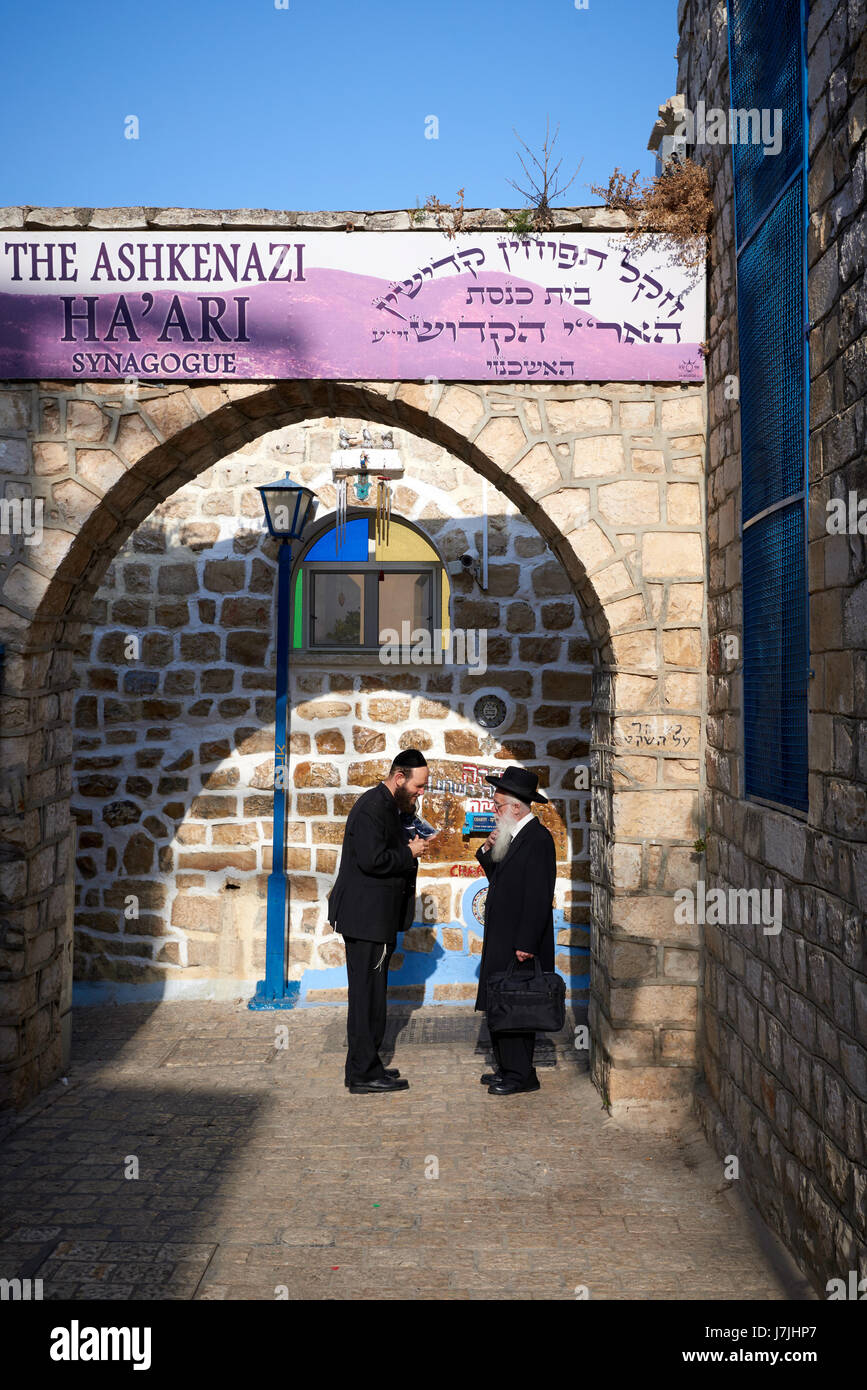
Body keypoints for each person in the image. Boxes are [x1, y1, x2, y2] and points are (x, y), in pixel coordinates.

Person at [327, 749, 436, 1093]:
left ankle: (369, 1063)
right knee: (365, 997)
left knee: (373, 995)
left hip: (375, 918)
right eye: (418, 786)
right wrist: (409, 853)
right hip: (366, 919)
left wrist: (409, 844)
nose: (421, 792)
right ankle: (362, 1073)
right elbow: (373, 860)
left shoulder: (388, 806)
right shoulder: (373, 807)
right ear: (399, 777)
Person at [474, 766, 556, 1096]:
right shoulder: (513, 835)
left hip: (520, 941)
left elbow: (538, 896)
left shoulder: (538, 839)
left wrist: (526, 942)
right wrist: (487, 849)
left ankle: (521, 1075)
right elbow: (498, 876)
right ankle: (507, 1068)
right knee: (501, 1003)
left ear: (516, 807)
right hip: (502, 937)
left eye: (498, 805)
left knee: (519, 1008)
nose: (494, 811)